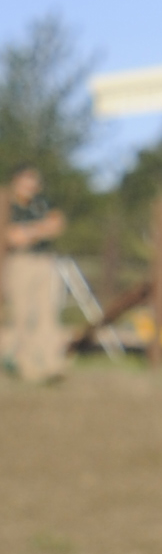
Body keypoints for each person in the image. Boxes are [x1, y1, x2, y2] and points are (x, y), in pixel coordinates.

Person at [6, 165, 69, 388]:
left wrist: (31, 230)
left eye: (33, 181)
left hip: (45, 261)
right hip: (20, 262)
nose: (30, 186)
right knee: (23, 315)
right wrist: (41, 229)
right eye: (25, 180)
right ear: (16, 181)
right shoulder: (7, 205)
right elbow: (13, 238)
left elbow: (57, 224)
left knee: (48, 313)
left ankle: (52, 365)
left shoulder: (41, 203)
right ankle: (26, 365)